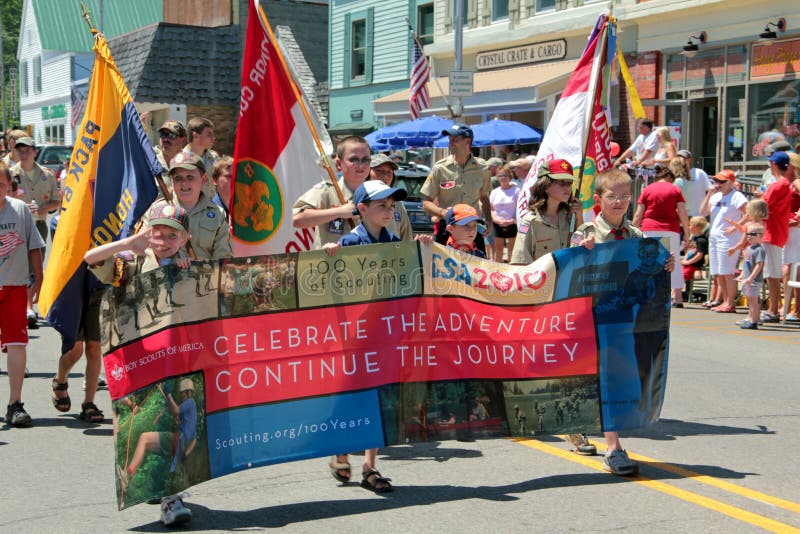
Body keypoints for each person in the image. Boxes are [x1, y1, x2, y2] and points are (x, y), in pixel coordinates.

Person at [85, 204, 194, 525]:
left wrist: (191, 269)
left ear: (185, 237)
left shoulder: (191, 266)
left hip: (175, 358)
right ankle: (145, 481)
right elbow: (91, 259)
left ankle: (172, 498)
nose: (163, 239)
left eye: (172, 234)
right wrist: (128, 244)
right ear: (147, 230)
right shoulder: (130, 263)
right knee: (137, 422)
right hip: (136, 356)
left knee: (171, 426)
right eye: (157, 232)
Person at [322, 180, 432, 493]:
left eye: (392, 205)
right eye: (381, 205)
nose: (389, 210)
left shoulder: (396, 241)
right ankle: (341, 451)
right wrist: (328, 254)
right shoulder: (349, 243)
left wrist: (422, 249)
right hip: (354, 334)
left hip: (384, 332)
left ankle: (371, 466)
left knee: (379, 397)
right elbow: (324, 280)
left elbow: (410, 278)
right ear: (362, 210)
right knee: (350, 395)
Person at [570, 169, 674, 475]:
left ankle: (588, 428)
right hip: (592, 323)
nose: (619, 202)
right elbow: (570, 269)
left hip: (625, 325)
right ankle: (613, 448)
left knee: (615, 380)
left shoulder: (638, 238)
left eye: (625, 196)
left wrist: (666, 265)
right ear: (598, 199)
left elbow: (651, 277)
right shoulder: (586, 233)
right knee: (600, 379)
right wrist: (580, 251)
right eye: (612, 196)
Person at [0, 161, 45, 427]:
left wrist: (38, 278)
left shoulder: (19, 210)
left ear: (9, 185)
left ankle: (15, 403)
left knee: (17, 343)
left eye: (1, 184)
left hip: (15, 286)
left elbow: (33, 246)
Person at [8, 136, 59, 328]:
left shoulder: (48, 174)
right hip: (16, 225)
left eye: (27, 150)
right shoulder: (10, 174)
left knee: (35, 268)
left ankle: (28, 306)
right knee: (20, 266)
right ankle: (26, 308)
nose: (24, 153)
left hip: (38, 225)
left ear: (35, 152)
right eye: (20, 150)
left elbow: (57, 201)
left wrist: (44, 208)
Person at [146, 152, 232, 261]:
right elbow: (145, 250)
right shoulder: (156, 210)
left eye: (190, 177)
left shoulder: (218, 214)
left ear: (204, 179)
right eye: (178, 178)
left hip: (204, 276)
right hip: (164, 275)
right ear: (172, 181)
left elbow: (223, 257)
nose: (184, 183)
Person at [421, 124, 492, 253]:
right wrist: (443, 213)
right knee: (443, 270)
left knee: (476, 270)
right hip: (448, 229)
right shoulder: (440, 168)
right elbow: (426, 203)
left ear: (467, 141)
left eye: (455, 139)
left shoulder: (482, 168)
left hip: (473, 229)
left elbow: (484, 198)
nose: (450, 142)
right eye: (450, 139)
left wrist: (489, 220)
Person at [293, 135, 371, 247]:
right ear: (339, 164)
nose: (361, 165)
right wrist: (338, 212)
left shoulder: (379, 193)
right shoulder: (327, 191)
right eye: (353, 159)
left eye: (365, 160)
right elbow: (298, 219)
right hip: (333, 262)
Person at [632, 165, 690, 307]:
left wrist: (633, 230)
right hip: (670, 229)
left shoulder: (647, 190)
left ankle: (647, 294)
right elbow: (682, 212)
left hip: (649, 228)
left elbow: (639, 213)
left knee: (648, 260)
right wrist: (687, 234)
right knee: (673, 261)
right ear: (669, 177)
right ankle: (677, 297)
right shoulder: (675, 189)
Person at [510, 159, 582, 265]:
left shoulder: (571, 217)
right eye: (561, 183)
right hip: (543, 280)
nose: (567, 188)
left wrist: (579, 216)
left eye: (569, 183)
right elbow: (520, 261)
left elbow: (580, 246)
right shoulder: (531, 221)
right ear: (545, 186)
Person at [699, 170, 748, 313]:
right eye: (716, 181)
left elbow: (749, 212)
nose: (717, 184)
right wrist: (709, 193)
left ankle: (730, 302)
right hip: (715, 237)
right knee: (718, 272)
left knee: (727, 272)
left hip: (729, 238)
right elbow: (703, 212)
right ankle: (724, 301)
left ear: (730, 183)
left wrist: (735, 226)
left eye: (721, 182)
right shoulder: (716, 196)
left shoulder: (736, 196)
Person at [760, 151, 792, 323]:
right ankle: (774, 308)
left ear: (773, 164)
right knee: (770, 273)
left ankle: (773, 310)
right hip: (772, 231)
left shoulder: (779, 184)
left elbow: (762, 205)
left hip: (772, 232)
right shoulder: (781, 184)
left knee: (772, 274)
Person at [369, 153, 413, 240]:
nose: (385, 175)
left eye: (389, 172)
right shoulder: (358, 202)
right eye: (379, 171)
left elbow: (407, 241)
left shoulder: (398, 206)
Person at [737, 223, 766, 330]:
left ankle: (754, 322)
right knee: (750, 300)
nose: (749, 236)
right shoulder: (749, 248)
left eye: (753, 234)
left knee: (753, 301)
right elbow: (746, 264)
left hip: (754, 280)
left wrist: (751, 278)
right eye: (747, 233)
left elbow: (759, 265)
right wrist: (742, 275)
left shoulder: (759, 249)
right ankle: (752, 318)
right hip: (748, 279)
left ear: (761, 235)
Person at [489, 165, 520, 262]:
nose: (503, 177)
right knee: (498, 251)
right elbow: (491, 209)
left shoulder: (516, 190)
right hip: (497, 224)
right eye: (501, 175)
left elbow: (519, 207)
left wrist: (513, 220)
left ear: (510, 176)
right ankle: (497, 271)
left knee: (512, 251)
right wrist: (495, 219)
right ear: (497, 177)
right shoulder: (494, 192)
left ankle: (511, 271)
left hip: (512, 224)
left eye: (505, 175)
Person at [184, 117, 219, 199]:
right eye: (209, 134)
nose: (213, 138)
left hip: (211, 207)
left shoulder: (214, 158)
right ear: (196, 136)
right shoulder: (181, 159)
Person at [675, 150, 712, 216]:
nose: (680, 160)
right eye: (678, 158)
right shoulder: (674, 174)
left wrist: (708, 209)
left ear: (689, 160)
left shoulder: (699, 173)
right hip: (681, 214)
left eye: (683, 158)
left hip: (698, 215)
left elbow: (709, 191)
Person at [681, 216, 709, 284]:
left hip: (694, 264)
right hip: (688, 262)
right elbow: (689, 251)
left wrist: (689, 262)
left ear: (696, 227)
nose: (689, 227)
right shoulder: (694, 238)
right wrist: (685, 259)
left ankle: (677, 292)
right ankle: (679, 292)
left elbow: (700, 255)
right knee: (676, 275)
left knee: (681, 277)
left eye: (690, 225)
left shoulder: (701, 240)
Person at [211, 155, 233, 222]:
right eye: (229, 176)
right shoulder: (210, 212)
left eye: (237, 175)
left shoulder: (248, 211)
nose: (234, 180)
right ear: (215, 180)